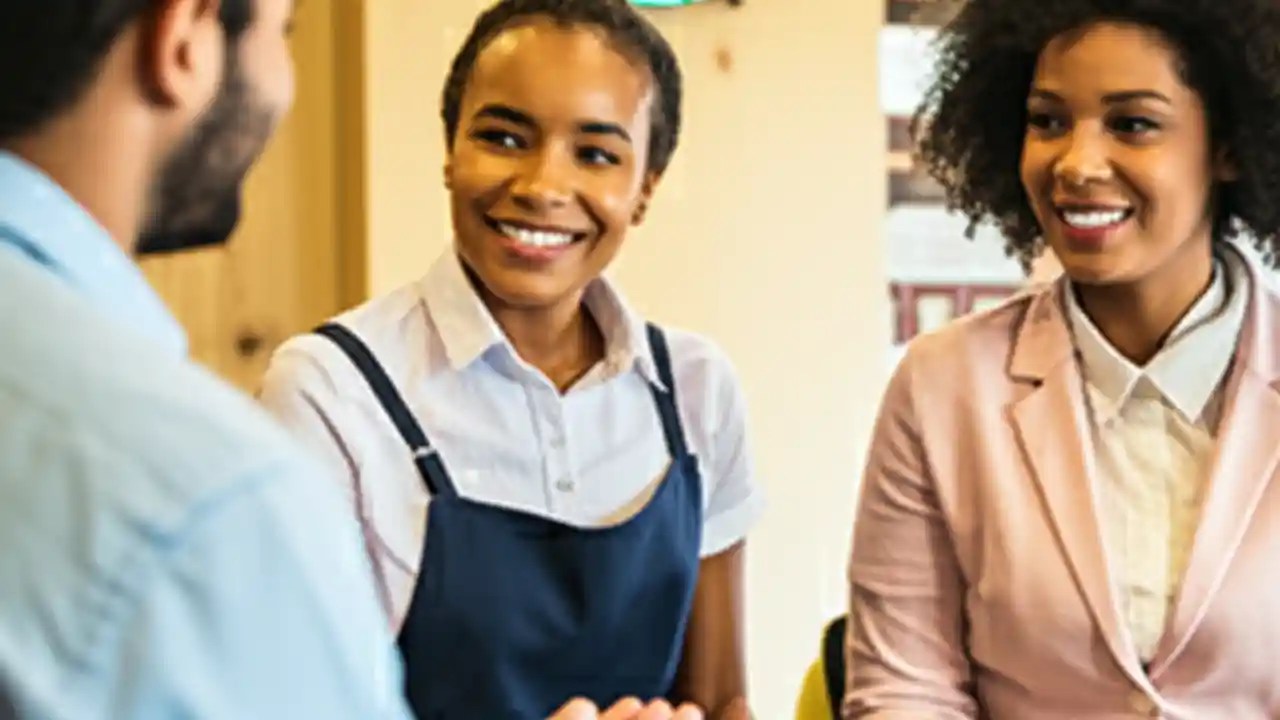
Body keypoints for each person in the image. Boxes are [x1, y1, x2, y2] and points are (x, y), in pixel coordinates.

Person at [257, 0, 764, 718]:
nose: (542, 187)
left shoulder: (694, 390)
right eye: (502, 137)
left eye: (596, 154)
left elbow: (722, 702)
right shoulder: (331, 393)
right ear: (450, 150)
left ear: (644, 188)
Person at [844, 0, 1280, 718]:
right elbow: (905, 690)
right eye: (1048, 121)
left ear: (1228, 144)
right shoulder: (942, 386)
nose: (1076, 163)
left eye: (1132, 123)